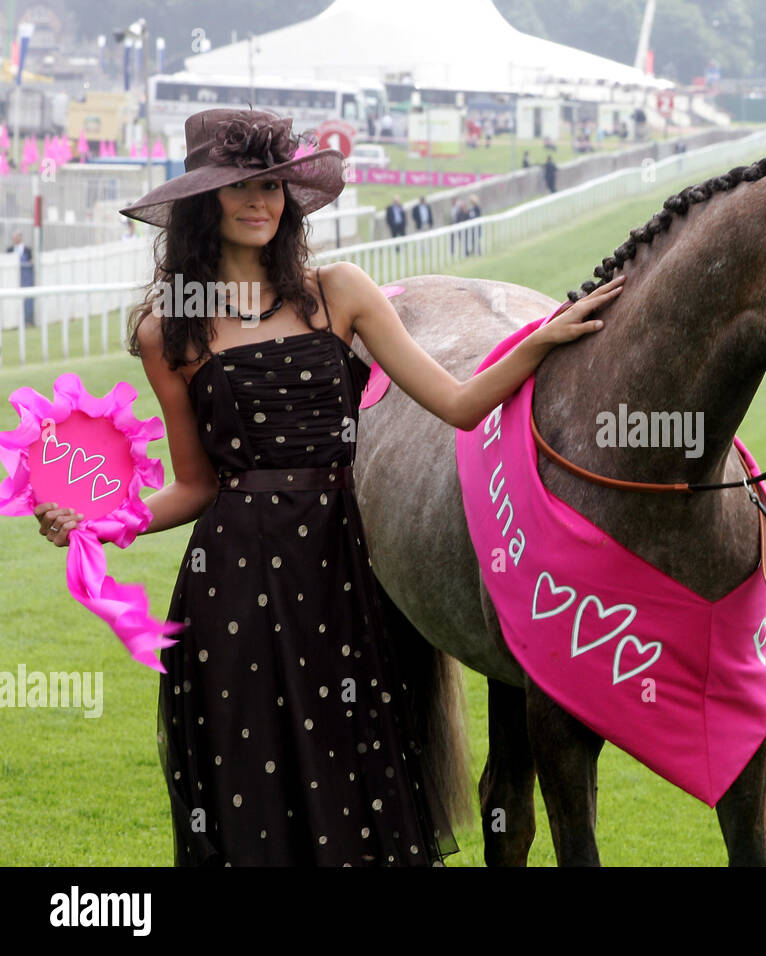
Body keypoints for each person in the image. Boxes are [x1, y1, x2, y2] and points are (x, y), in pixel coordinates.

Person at [35, 108, 625, 867]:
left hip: (339, 583)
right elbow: (193, 487)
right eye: (240, 186)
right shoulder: (167, 333)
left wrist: (540, 340)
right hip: (233, 592)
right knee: (249, 800)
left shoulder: (339, 293)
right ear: (201, 205)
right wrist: (98, 520)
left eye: (273, 185)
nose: (260, 202)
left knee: (352, 788)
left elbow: (460, 403)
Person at [6, 229, 35, 327]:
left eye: (16, 237)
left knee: (26, 300)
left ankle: (27, 321)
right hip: (12, 281)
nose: (14, 239)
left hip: (25, 280)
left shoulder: (27, 250)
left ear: (20, 238)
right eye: (13, 237)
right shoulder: (9, 250)